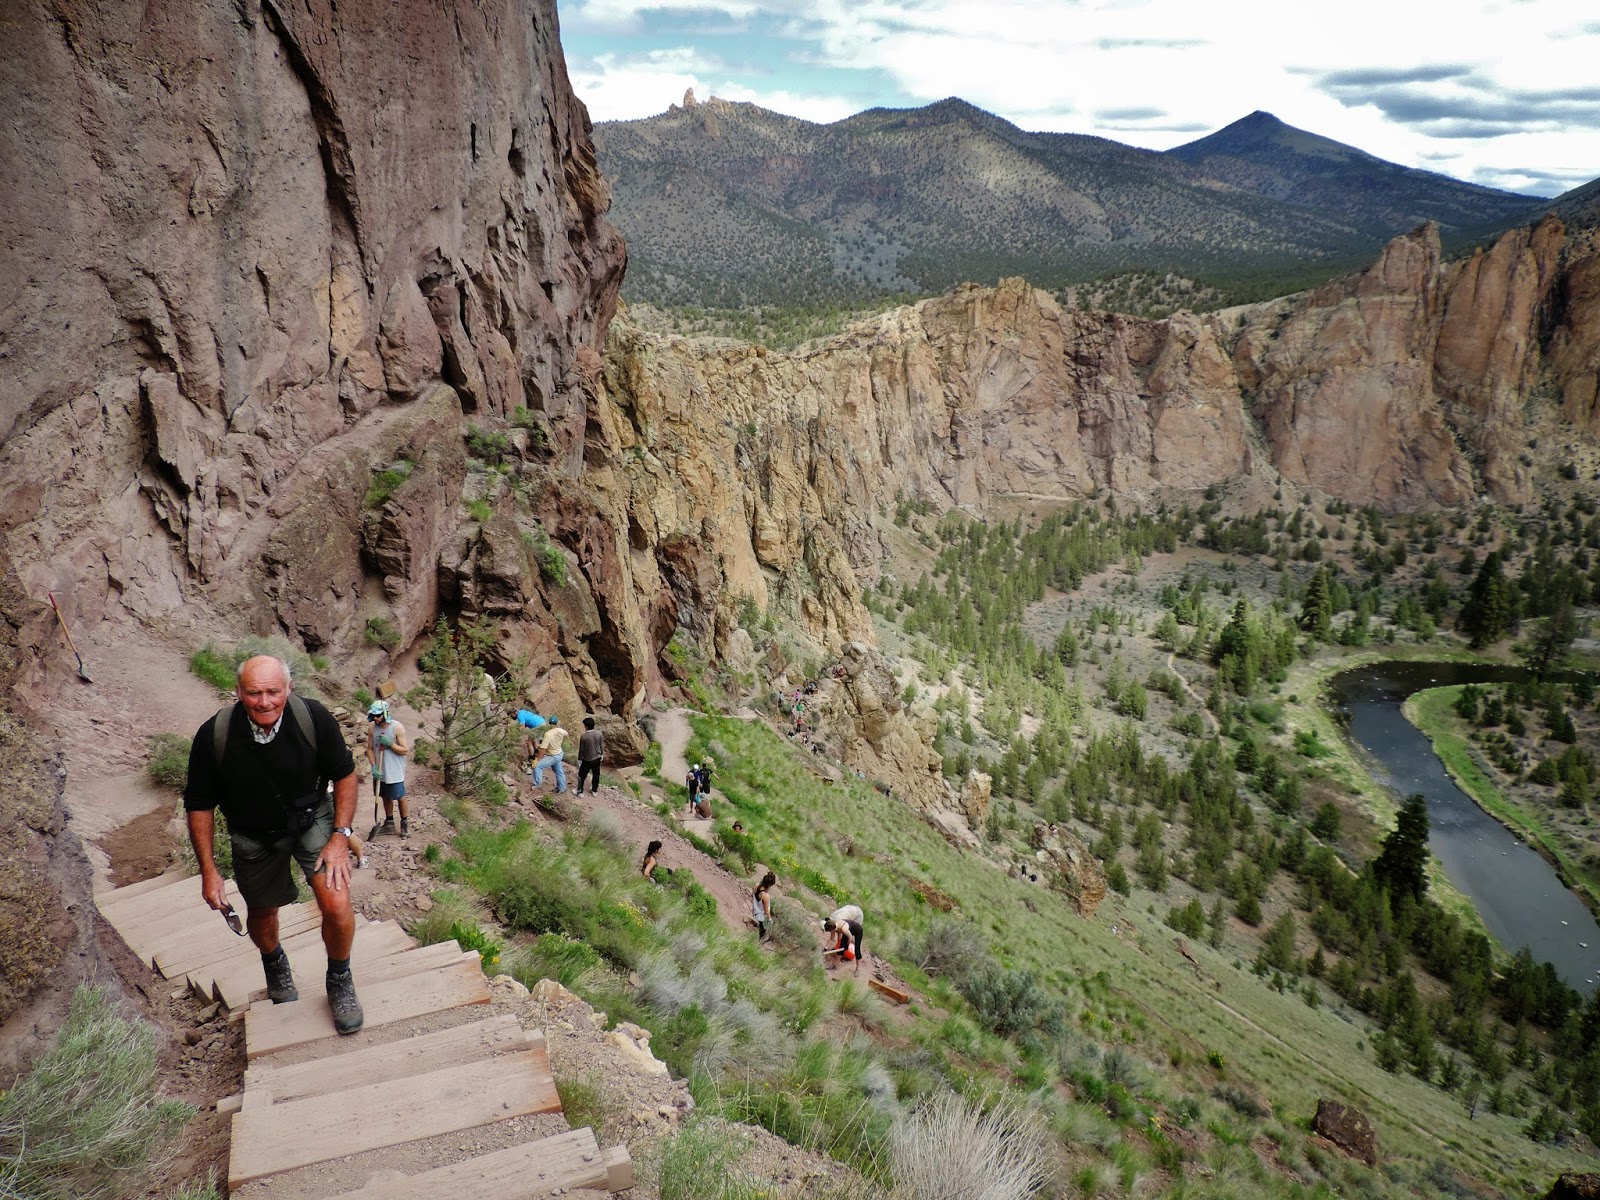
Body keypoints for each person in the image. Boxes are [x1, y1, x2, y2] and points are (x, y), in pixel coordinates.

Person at [183, 656, 364, 1035]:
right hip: (253, 832)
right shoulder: (215, 735)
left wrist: (340, 836)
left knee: (336, 902)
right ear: (238, 692)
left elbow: (345, 774)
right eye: (254, 693)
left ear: (288, 689)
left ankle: (339, 977)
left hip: (312, 820)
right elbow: (199, 804)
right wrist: (209, 871)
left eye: (272, 692)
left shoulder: (312, 718)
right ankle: (274, 961)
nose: (264, 702)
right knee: (263, 913)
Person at [367, 700, 411, 836]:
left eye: (378, 715)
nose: (375, 718)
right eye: (374, 715)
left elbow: (404, 750)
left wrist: (390, 744)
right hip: (380, 770)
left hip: (394, 770)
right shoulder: (372, 728)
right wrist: (373, 767)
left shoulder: (397, 727)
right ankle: (389, 823)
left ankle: (404, 824)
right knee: (385, 796)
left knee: (400, 796)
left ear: (385, 714)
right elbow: (369, 749)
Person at [531, 715, 568, 793]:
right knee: (559, 771)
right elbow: (566, 734)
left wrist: (537, 759)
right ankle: (562, 788)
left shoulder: (548, 734)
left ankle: (537, 785)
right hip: (559, 753)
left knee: (537, 766)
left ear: (549, 723)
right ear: (557, 723)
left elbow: (543, 750)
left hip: (553, 756)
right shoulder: (561, 731)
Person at [576, 716, 604, 796]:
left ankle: (580, 791)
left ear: (586, 726)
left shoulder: (584, 736)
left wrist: (579, 759)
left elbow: (581, 750)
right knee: (596, 774)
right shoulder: (599, 733)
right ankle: (594, 790)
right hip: (597, 757)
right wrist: (602, 754)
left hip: (587, 759)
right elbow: (601, 745)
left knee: (581, 775)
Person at [752, 872, 776, 941]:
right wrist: (769, 919)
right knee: (761, 936)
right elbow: (766, 910)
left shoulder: (757, 885)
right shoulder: (765, 896)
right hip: (760, 917)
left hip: (754, 911)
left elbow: (753, 894)